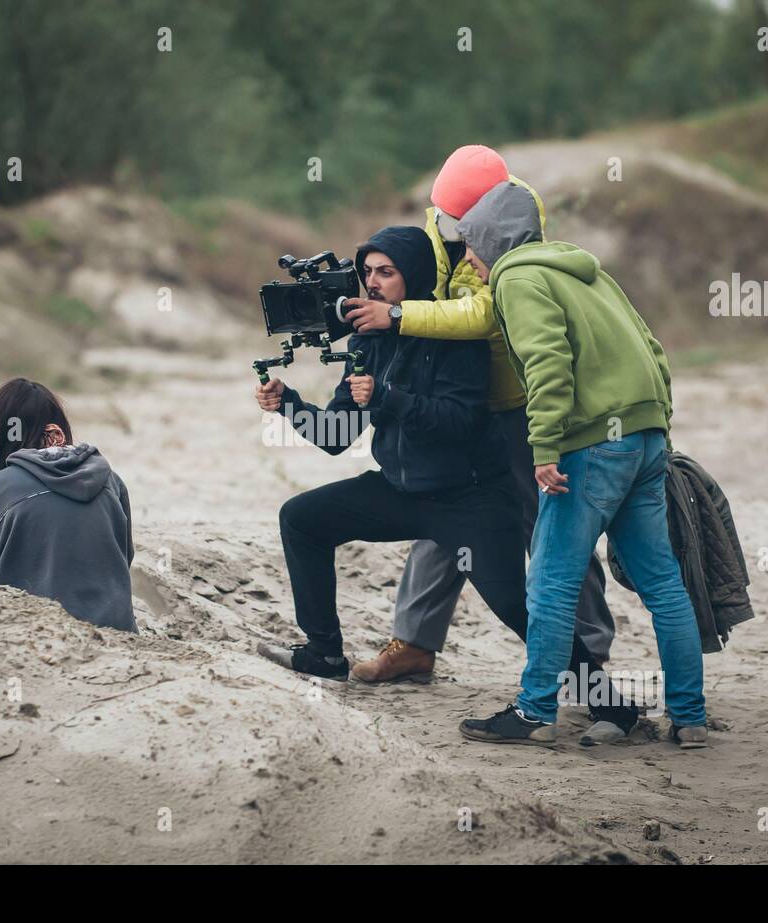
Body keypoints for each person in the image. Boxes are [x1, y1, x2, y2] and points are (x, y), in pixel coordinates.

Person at [254, 227, 636, 735]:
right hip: (400, 492)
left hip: (470, 498)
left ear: (412, 275)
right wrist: (290, 404)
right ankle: (324, 653)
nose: (372, 283)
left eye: (385, 272)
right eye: (367, 272)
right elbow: (336, 434)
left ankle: (611, 705)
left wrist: (387, 398)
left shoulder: (456, 334)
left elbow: (459, 420)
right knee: (301, 518)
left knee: (515, 606)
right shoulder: (369, 342)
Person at [341, 145, 631, 744]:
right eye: (442, 216)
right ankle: (415, 644)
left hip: (520, 405)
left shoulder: (511, 225)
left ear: (487, 210)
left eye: (458, 221)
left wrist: (398, 319)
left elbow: (480, 313)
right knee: (440, 511)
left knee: (552, 527)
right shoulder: (442, 213)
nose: (449, 230)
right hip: (459, 398)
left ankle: (590, 660)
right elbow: (425, 278)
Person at [452, 180, 708, 749]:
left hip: (590, 446)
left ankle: (535, 713)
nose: (467, 257)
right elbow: (652, 347)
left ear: (494, 239)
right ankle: (689, 718)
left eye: (471, 243)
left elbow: (548, 364)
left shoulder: (517, 278)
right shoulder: (586, 271)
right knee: (663, 583)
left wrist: (543, 449)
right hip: (643, 438)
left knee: (549, 582)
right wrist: (659, 425)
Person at [0, 378, 136, 632]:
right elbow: (123, 559)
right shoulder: (111, 481)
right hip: (118, 633)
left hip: (36, 634)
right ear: (57, 430)